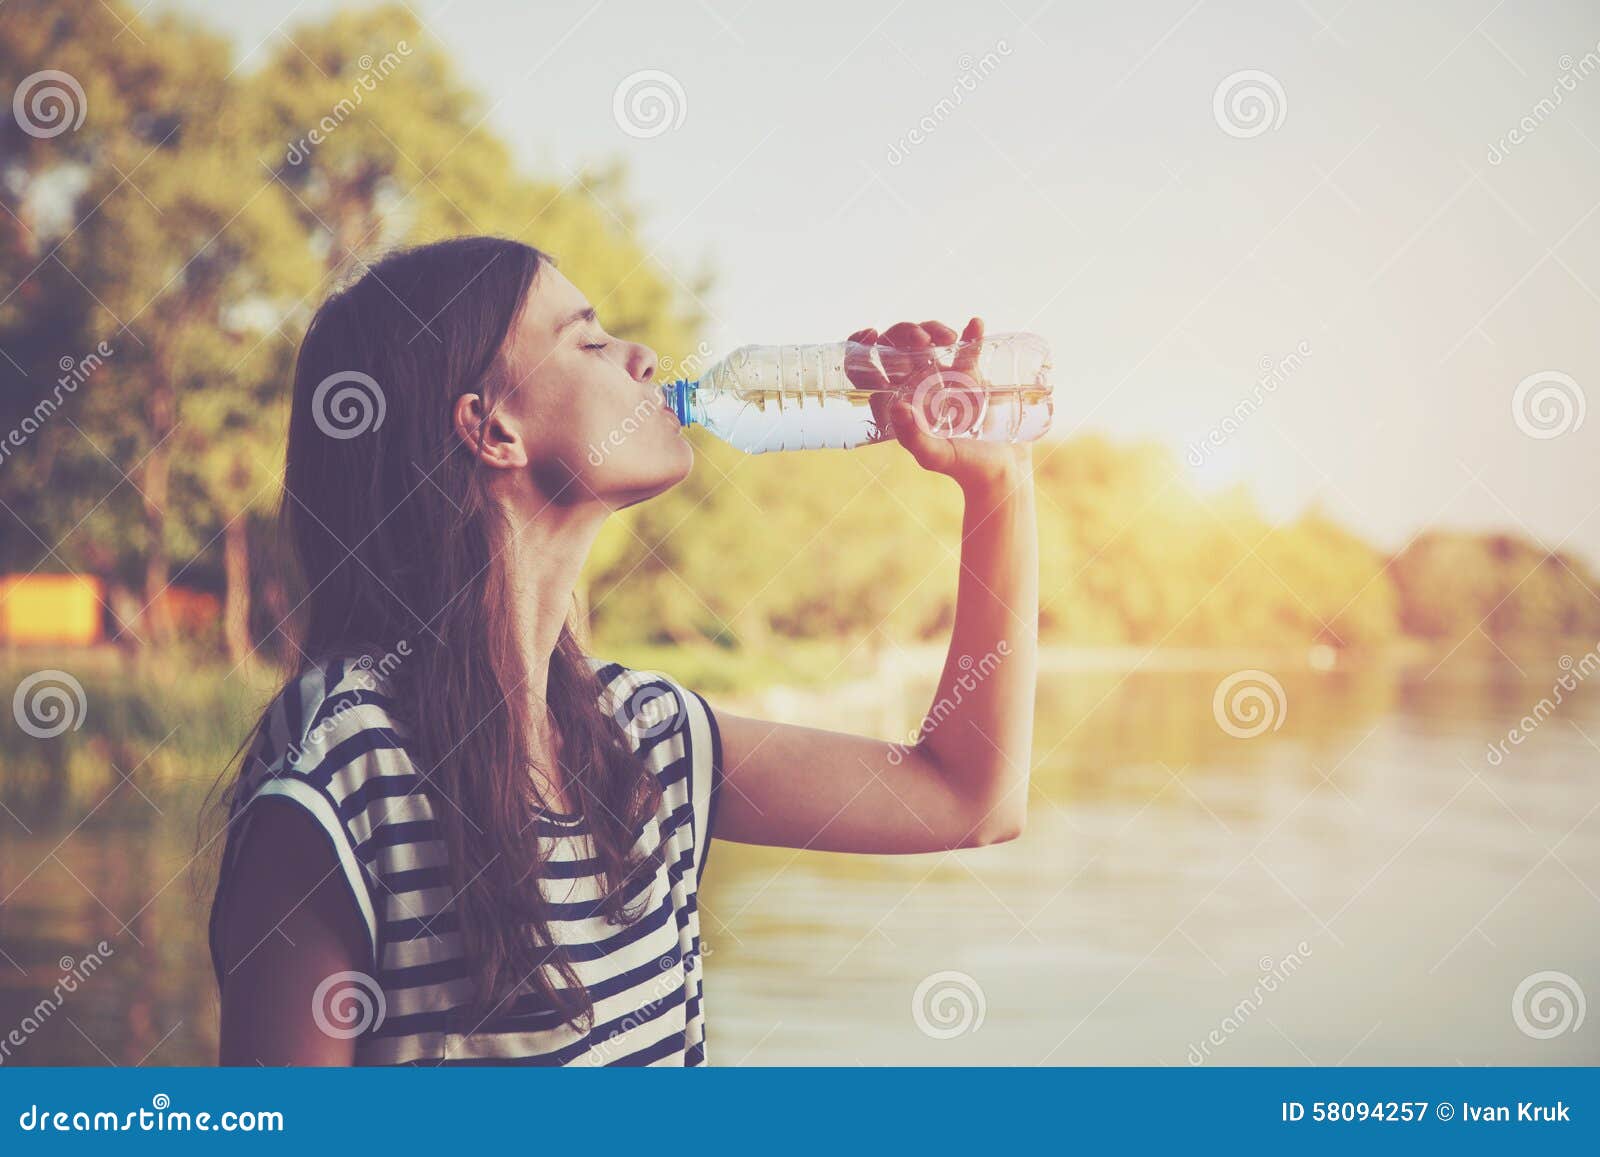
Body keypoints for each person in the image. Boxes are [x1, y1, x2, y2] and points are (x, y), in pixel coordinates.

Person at [207, 235, 1037, 1065]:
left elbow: (970, 794)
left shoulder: (642, 738)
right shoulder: (342, 768)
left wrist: (998, 485)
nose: (642, 359)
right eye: (591, 342)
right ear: (492, 427)